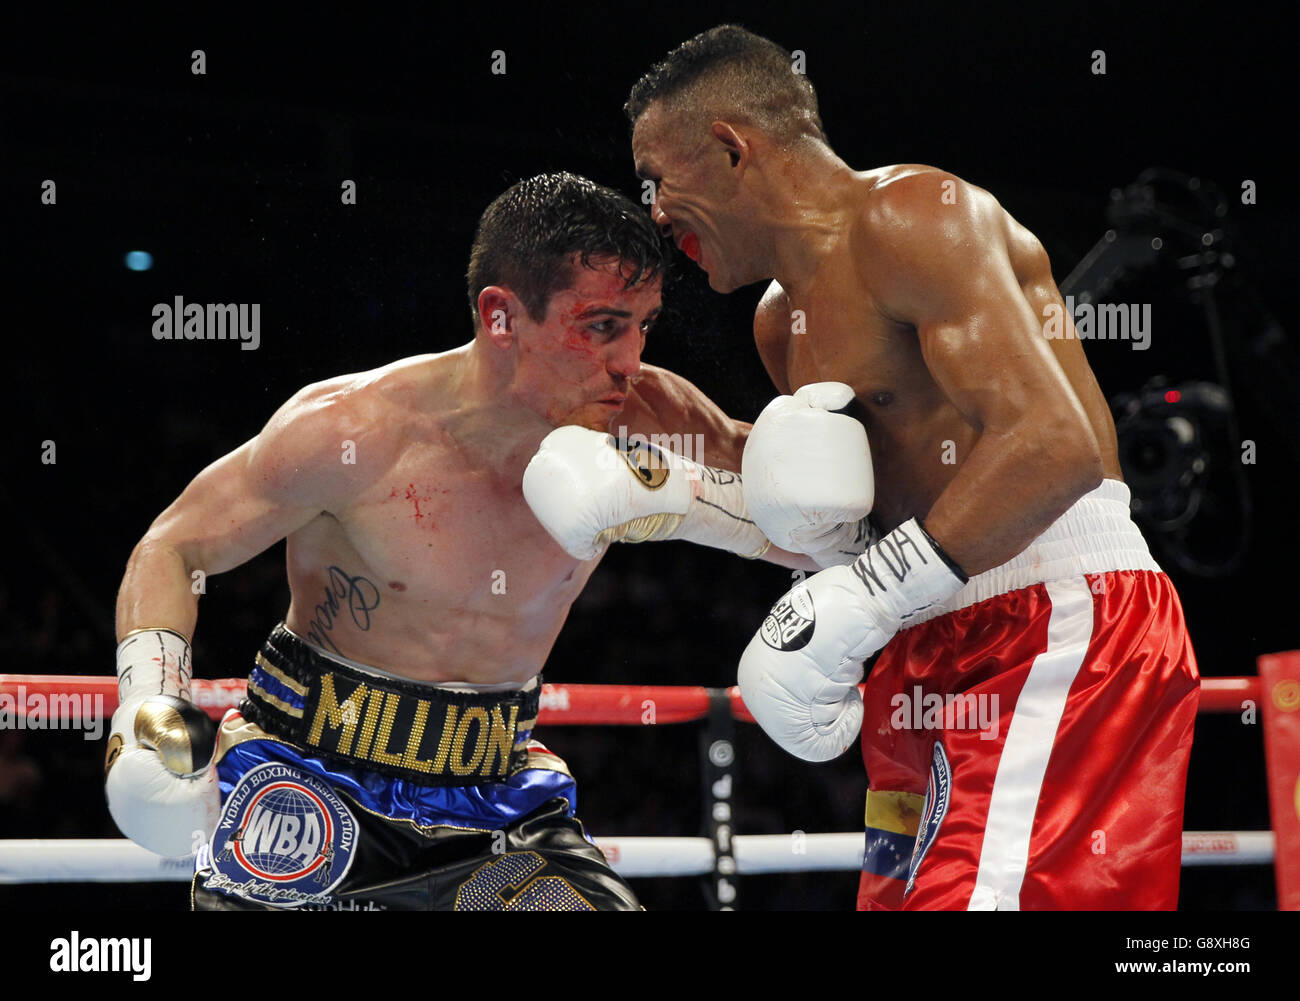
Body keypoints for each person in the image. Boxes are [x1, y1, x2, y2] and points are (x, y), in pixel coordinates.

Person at [104, 171, 814, 911]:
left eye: (645, 324)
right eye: (602, 325)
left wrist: (693, 502)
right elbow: (174, 547)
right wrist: (146, 704)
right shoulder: (353, 433)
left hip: (499, 807)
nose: (630, 359)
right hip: (305, 779)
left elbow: (808, 527)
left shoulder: (649, 419)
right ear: (501, 315)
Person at [624, 25, 1200, 910]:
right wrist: (688, 465)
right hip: (927, 645)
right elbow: (857, 520)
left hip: (1054, 614)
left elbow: (1058, 445)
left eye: (658, 179)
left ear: (732, 147)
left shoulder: (912, 217)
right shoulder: (780, 324)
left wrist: (867, 596)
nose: (654, 212)